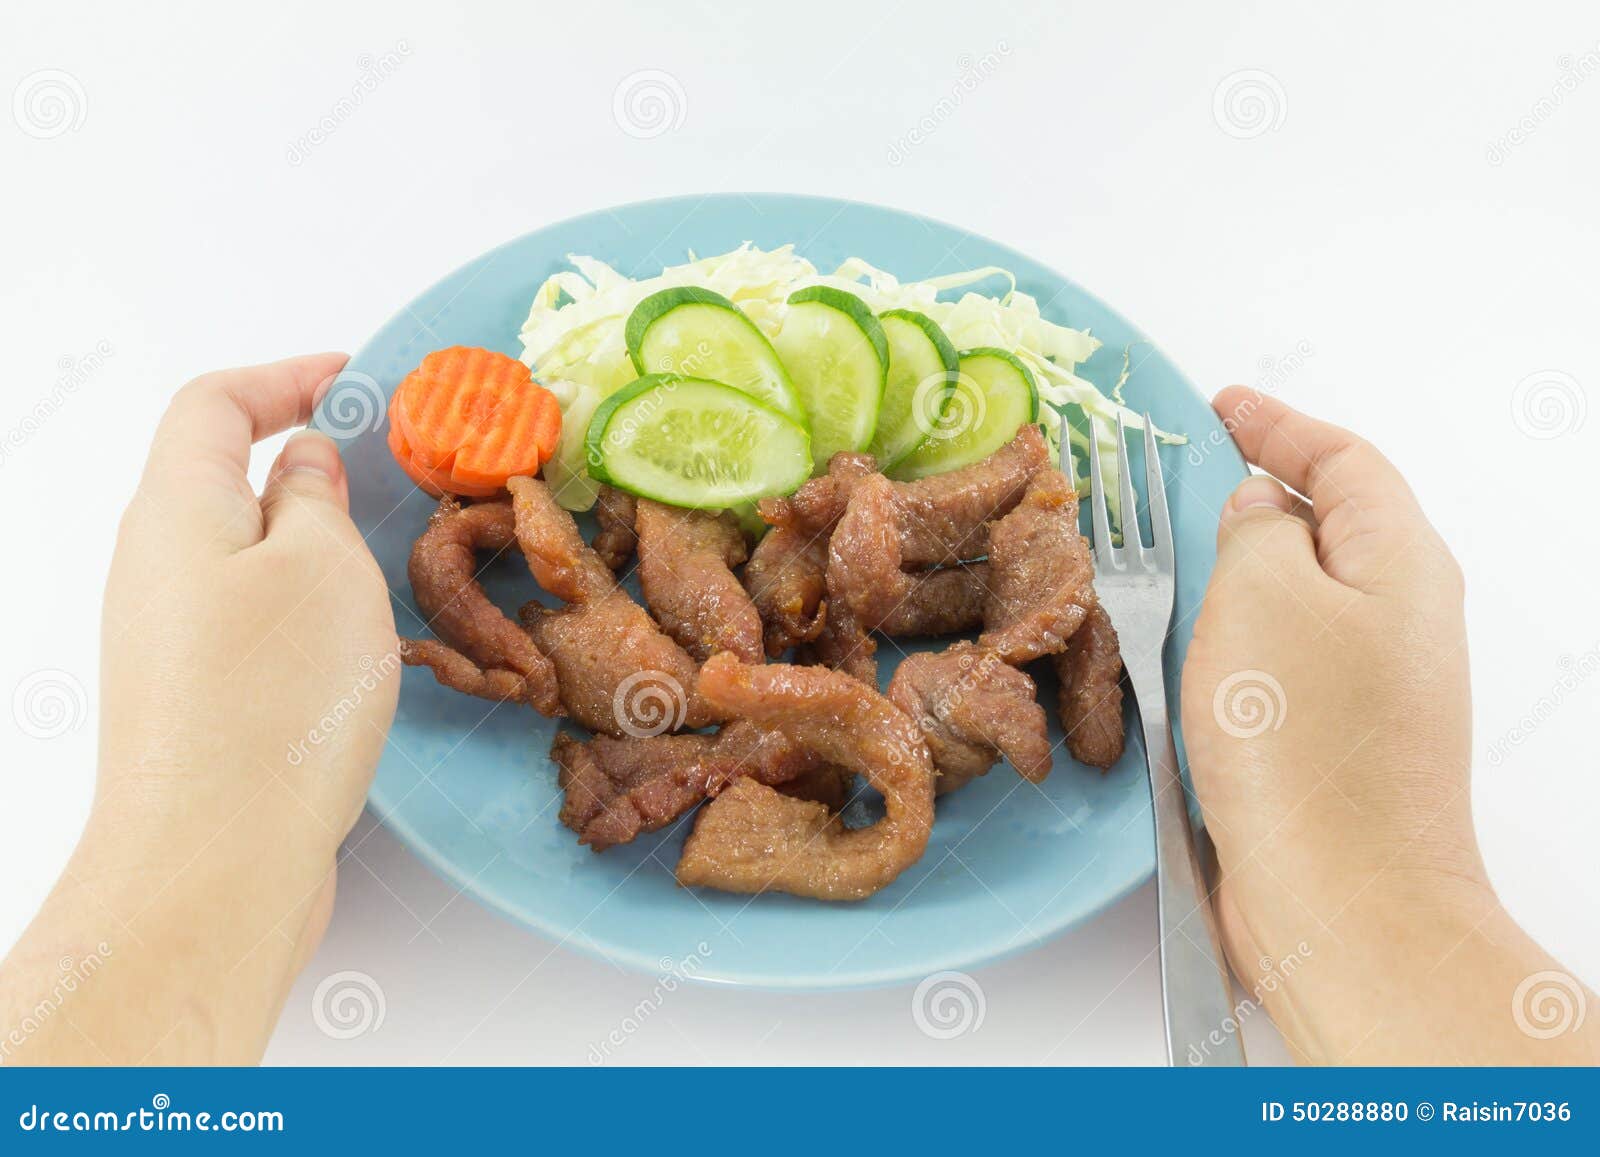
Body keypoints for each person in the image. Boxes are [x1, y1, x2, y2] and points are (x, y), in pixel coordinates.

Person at [0, 356, 1593, 1065]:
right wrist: (1377, 897)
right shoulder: (711, 615)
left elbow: (1050, 720)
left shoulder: (906, 630)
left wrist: (190, 857)